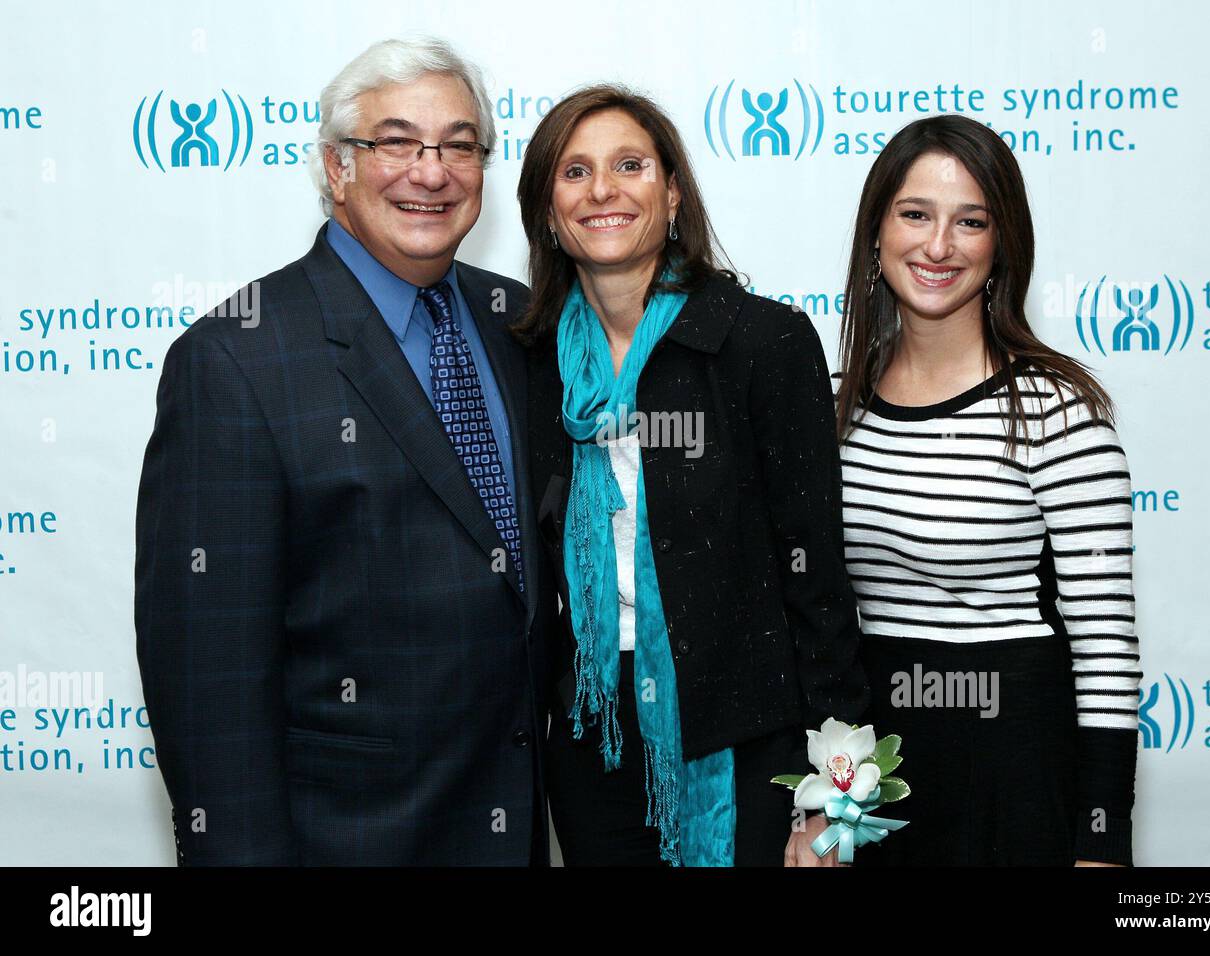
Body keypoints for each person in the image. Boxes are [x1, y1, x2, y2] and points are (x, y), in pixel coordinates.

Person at [134, 36, 553, 865]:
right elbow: (209, 678)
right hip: (346, 842)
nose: (431, 172)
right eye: (396, 142)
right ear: (336, 167)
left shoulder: (522, 322)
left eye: (460, 145)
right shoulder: (235, 358)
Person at [515, 85, 870, 867]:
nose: (602, 190)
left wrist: (841, 801)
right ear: (547, 210)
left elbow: (818, 580)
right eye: (574, 173)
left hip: (746, 734)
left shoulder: (758, 342)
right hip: (595, 730)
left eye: (629, 165)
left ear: (672, 193)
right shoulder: (533, 359)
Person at [835, 114, 1141, 866]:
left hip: (1015, 770)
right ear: (876, 232)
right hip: (874, 779)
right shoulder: (834, 406)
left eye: (971, 222)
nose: (939, 247)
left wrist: (1101, 838)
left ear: (1002, 245)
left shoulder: (1054, 410)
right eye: (916, 215)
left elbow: (1106, 649)